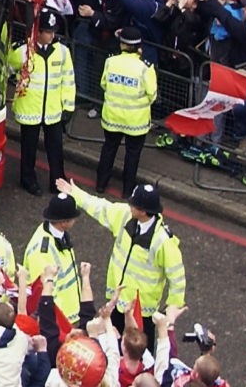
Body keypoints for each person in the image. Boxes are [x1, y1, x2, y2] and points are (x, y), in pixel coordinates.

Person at [63, 178, 187, 316]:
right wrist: (75, 193)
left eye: (133, 205)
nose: (129, 206)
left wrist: (173, 307)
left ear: (143, 212)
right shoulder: (125, 215)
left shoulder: (163, 240)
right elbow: (101, 208)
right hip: (117, 302)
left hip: (141, 312)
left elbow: (177, 277)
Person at [8, 8, 75, 194]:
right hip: (29, 110)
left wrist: (68, 106)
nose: (52, 35)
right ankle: (28, 180)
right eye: (48, 31)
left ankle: (58, 182)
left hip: (53, 110)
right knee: (28, 149)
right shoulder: (23, 51)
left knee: (56, 149)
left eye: (53, 31)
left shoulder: (62, 51)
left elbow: (68, 80)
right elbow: (6, 68)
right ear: (37, 31)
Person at [97, 26, 157, 196]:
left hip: (112, 117)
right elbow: (152, 94)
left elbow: (103, 84)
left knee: (109, 149)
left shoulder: (111, 61)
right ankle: (127, 190)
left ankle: (101, 184)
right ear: (139, 46)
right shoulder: (145, 67)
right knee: (132, 155)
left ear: (122, 44)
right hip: (135, 121)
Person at [20, 188, 82, 325]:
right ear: (64, 222)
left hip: (67, 312)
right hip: (57, 319)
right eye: (73, 218)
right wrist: (57, 321)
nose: (75, 221)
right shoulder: (43, 250)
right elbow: (43, 291)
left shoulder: (58, 234)